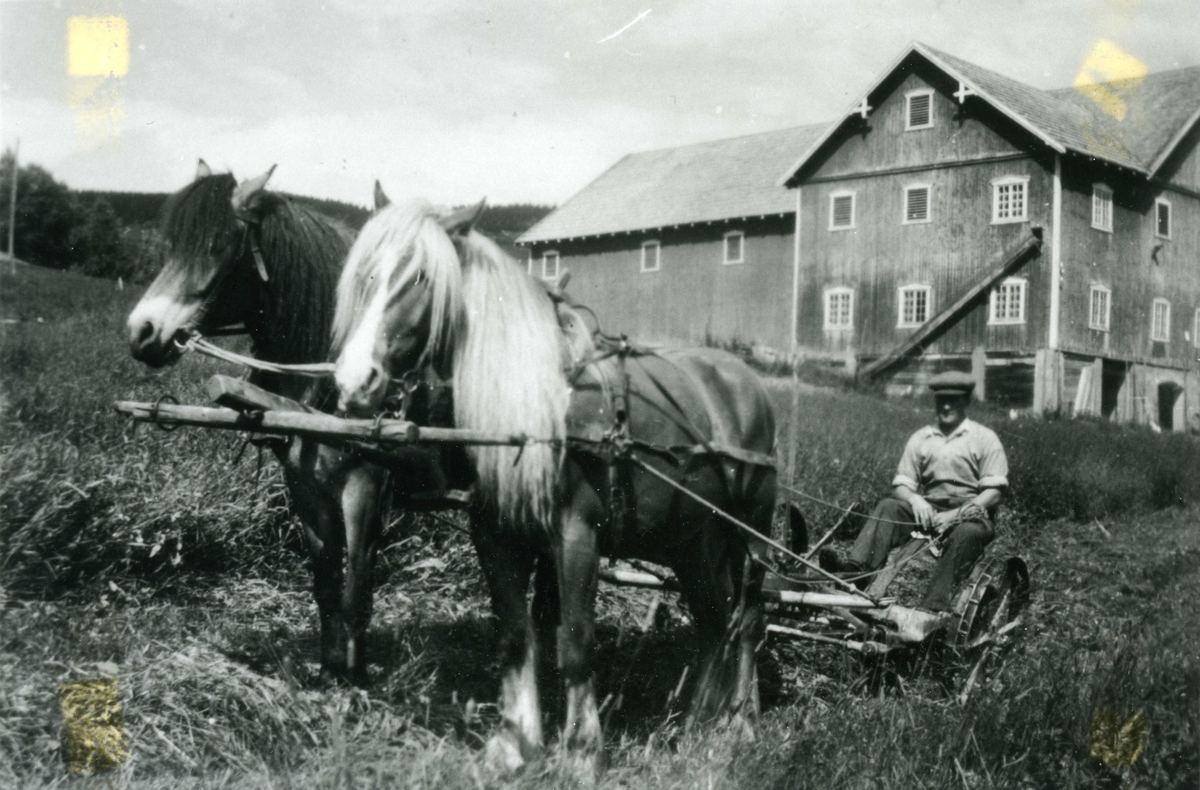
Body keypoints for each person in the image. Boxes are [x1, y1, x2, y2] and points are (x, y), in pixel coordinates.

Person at [820, 371, 1009, 612]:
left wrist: (955, 515)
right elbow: (902, 484)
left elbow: (993, 492)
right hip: (929, 510)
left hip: (971, 514)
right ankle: (855, 572)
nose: (947, 406)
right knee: (888, 506)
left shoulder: (984, 438)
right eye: (942, 400)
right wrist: (916, 500)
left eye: (954, 400)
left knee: (965, 533)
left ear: (966, 402)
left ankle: (932, 607)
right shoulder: (922, 438)